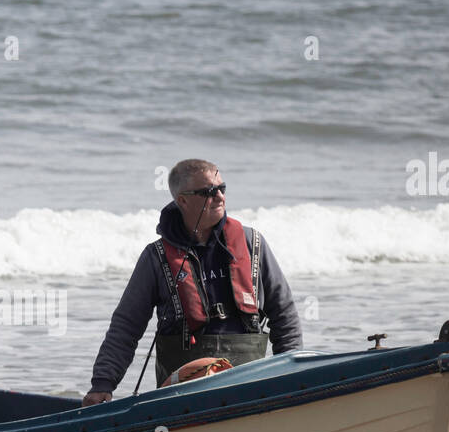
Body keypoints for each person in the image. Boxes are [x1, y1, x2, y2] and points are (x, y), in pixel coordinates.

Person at [83, 159, 303, 405]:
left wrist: (290, 372)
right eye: (209, 192)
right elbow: (126, 326)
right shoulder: (155, 257)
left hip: (247, 388)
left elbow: (284, 314)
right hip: (182, 395)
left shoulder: (254, 244)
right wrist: (103, 383)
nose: (219, 197)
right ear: (183, 200)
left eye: (222, 188)